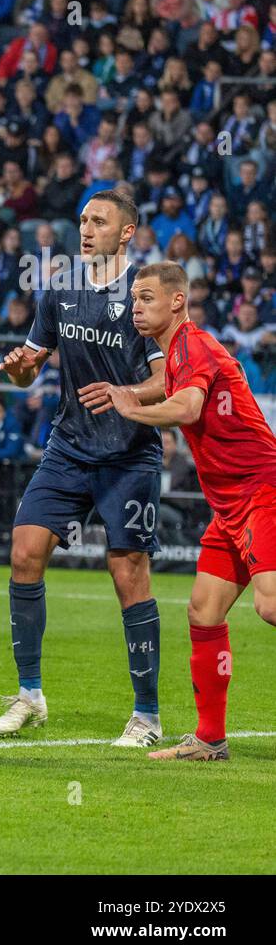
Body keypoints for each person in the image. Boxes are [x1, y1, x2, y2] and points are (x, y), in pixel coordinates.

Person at [0, 188, 169, 747]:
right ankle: (30, 695)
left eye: (99, 221)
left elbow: (168, 381)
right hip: (69, 448)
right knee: (24, 552)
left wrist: (126, 393)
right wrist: (19, 371)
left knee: (127, 575)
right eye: (82, 220)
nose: (86, 229)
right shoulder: (61, 287)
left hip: (129, 455)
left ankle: (146, 716)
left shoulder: (144, 293)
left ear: (126, 233)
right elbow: (29, 371)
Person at [104, 262, 276, 761]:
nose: (137, 306)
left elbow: (188, 409)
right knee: (203, 610)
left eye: (147, 298)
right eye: (134, 298)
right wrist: (132, 394)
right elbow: (170, 392)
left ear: (177, 301)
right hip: (229, 506)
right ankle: (209, 740)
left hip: (261, 491)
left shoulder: (193, 345)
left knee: (269, 606)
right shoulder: (173, 352)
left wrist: (131, 408)